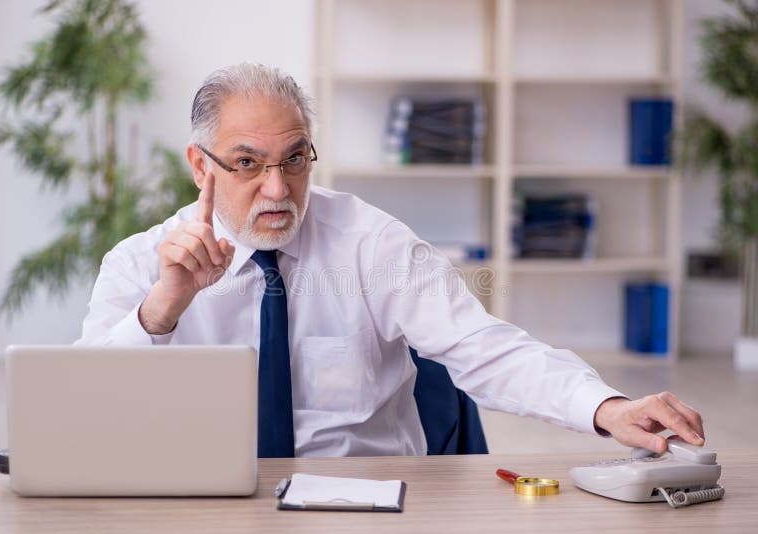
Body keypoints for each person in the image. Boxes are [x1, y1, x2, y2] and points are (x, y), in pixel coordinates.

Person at [77, 63, 705, 458]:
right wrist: (159, 313)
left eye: (295, 159)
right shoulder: (139, 263)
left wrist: (606, 408)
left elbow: (484, 347)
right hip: (208, 507)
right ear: (200, 166)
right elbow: (85, 410)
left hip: (369, 504)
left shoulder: (369, 242)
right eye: (247, 163)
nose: (277, 188)